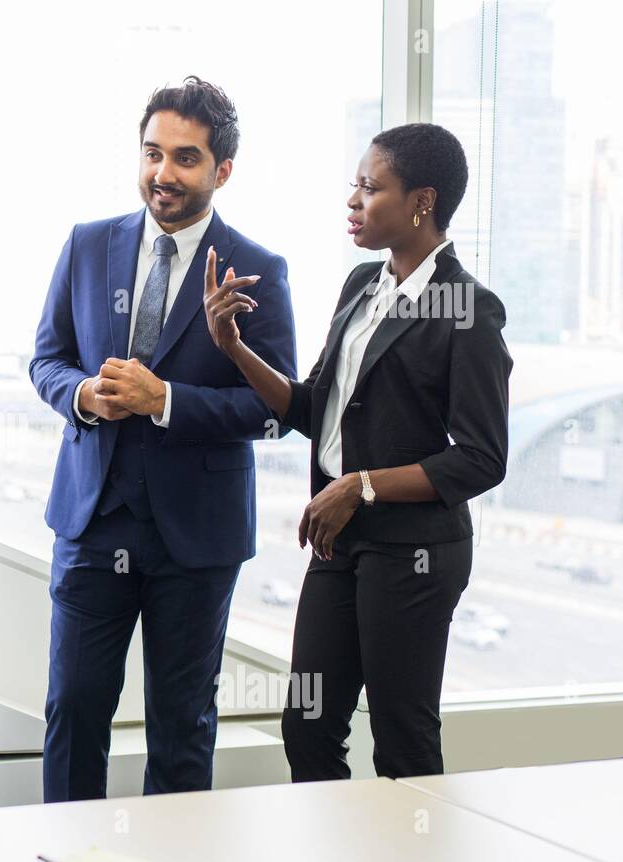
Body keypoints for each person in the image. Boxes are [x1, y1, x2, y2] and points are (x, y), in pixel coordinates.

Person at [202, 122, 512, 780]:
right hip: (342, 542)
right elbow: (311, 407)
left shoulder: (469, 310)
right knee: (308, 729)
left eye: (370, 188)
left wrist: (361, 484)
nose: (354, 201)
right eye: (355, 186)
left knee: (402, 738)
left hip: (415, 550)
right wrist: (233, 348)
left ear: (422, 202)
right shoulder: (359, 288)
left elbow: (482, 457)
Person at [30, 77, 297, 801]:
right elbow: (46, 359)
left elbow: (275, 410)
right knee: (73, 710)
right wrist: (84, 395)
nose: (163, 174)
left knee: (182, 728)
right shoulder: (88, 245)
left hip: (196, 539)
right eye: (152, 154)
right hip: (92, 522)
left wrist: (167, 401)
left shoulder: (260, 269)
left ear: (222, 171)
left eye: (185, 158)